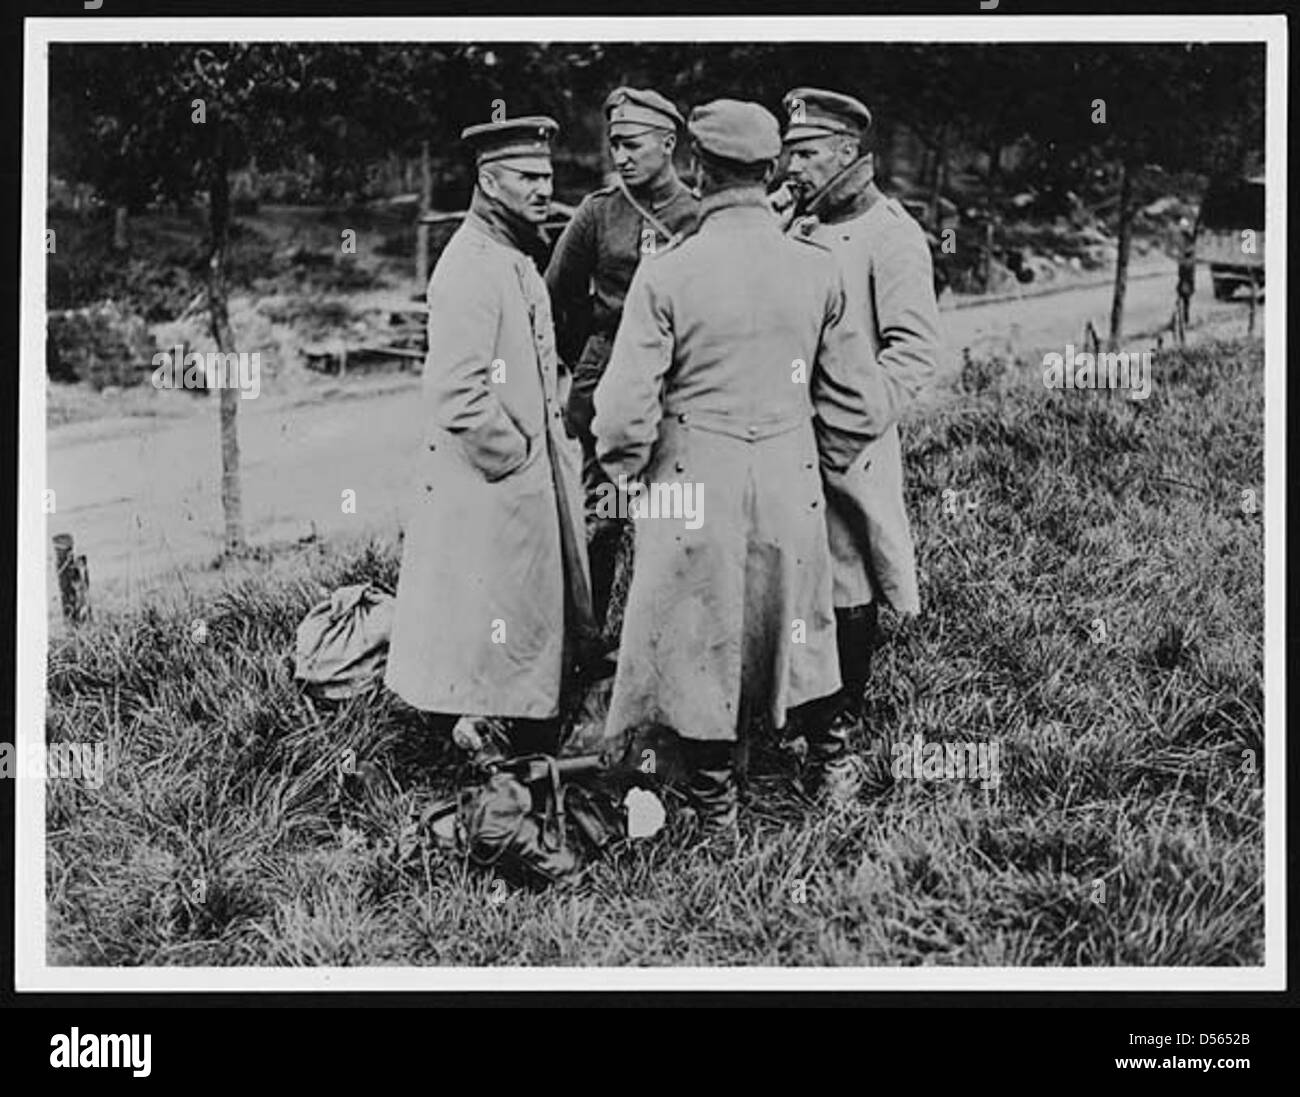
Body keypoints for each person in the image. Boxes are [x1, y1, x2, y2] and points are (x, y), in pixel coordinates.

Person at [592, 99, 898, 835]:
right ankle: (829, 764)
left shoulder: (669, 275)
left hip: (694, 478)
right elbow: (861, 402)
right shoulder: (815, 268)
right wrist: (810, 451)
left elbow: (623, 413)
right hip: (790, 475)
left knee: (700, 631)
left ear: (698, 168)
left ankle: (715, 800)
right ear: (769, 171)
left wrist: (629, 473)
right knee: (801, 619)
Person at [385, 115, 595, 758]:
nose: (543, 189)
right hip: (492, 484)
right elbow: (457, 391)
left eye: (548, 177)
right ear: (488, 181)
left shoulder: (508, 255)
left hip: (523, 479)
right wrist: (516, 458)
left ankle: (519, 725)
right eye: (528, 177)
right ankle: (485, 730)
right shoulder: (469, 267)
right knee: (492, 609)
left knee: (517, 607)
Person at [780, 87, 942, 788]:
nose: (795, 168)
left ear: (849, 154)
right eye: (790, 152)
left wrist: (842, 430)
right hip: (785, 439)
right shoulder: (794, 227)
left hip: (850, 448)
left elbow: (913, 351)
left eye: (809, 153)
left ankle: (835, 738)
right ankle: (793, 715)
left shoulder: (891, 235)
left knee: (847, 586)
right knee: (791, 582)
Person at [545, 87, 701, 635]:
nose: (622, 155)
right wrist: (591, 355)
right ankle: (585, 649)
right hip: (609, 389)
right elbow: (556, 295)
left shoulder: (700, 217)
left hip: (680, 388)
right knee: (603, 518)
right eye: (615, 144)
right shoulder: (598, 214)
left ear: (668, 143)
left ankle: (664, 644)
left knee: (677, 519)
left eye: (633, 143)